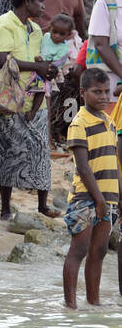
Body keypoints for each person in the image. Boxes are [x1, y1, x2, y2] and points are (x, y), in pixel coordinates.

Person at [0, 0, 57, 219]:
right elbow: (1, 60)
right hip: (7, 100)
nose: (43, 6)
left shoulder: (35, 29)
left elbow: (36, 61)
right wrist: (37, 68)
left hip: (33, 100)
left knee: (40, 152)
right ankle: (5, 209)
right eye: (40, 1)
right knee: (7, 154)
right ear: (27, 2)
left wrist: (46, 68)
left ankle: (42, 206)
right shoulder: (3, 24)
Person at [62, 68, 119, 309]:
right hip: (86, 198)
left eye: (106, 91)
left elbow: (114, 162)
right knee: (79, 250)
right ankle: (70, 306)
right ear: (83, 92)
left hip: (108, 198)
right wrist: (98, 200)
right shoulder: (79, 123)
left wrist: (117, 199)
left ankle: (94, 303)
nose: (103, 97)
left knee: (99, 252)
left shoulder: (110, 121)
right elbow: (83, 167)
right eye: (97, 92)